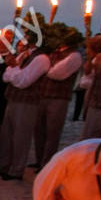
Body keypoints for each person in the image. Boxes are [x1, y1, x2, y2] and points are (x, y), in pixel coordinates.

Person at [0, 31, 50, 180]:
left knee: (21, 137)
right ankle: (2, 165)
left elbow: (23, 81)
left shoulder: (41, 59)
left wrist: (14, 69)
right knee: (7, 135)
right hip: (12, 99)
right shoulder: (23, 55)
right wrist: (14, 71)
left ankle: (16, 170)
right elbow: (6, 76)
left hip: (27, 102)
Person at [34, 25, 84, 168]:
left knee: (52, 132)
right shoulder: (52, 53)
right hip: (43, 94)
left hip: (58, 98)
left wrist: (45, 68)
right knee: (39, 130)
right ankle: (39, 160)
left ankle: (47, 162)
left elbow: (57, 73)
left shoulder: (74, 55)